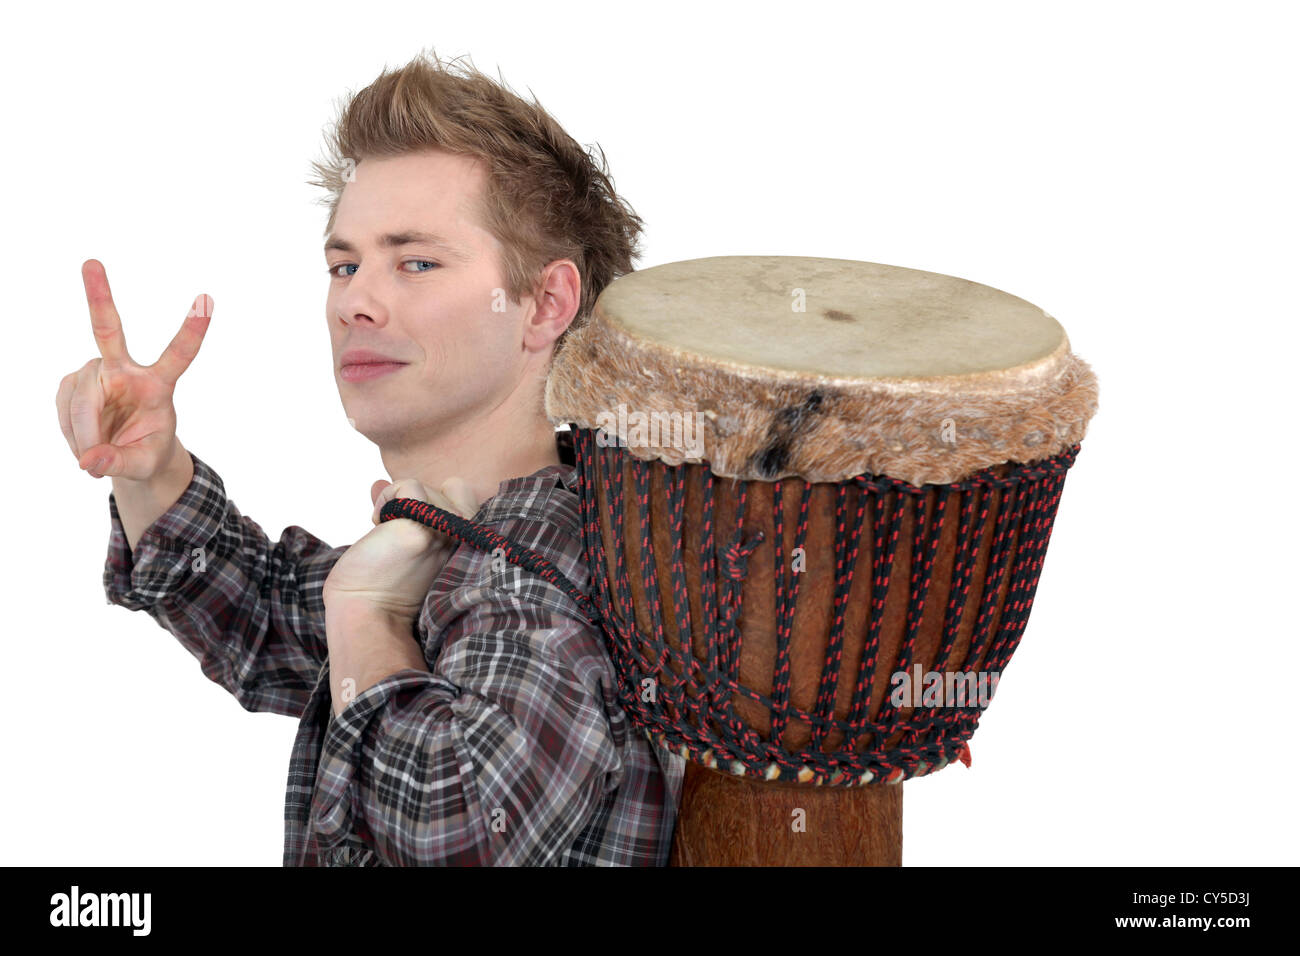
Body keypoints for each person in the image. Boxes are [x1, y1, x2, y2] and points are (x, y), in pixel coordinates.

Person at [56, 49, 684, 866]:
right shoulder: (477, 534)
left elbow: (453, 830)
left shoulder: (541, 571)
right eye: (344, 264)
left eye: (415, 262)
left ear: (547, 304)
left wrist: (368, 619)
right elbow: (269, 618)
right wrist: (151, 465)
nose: (355, 299)